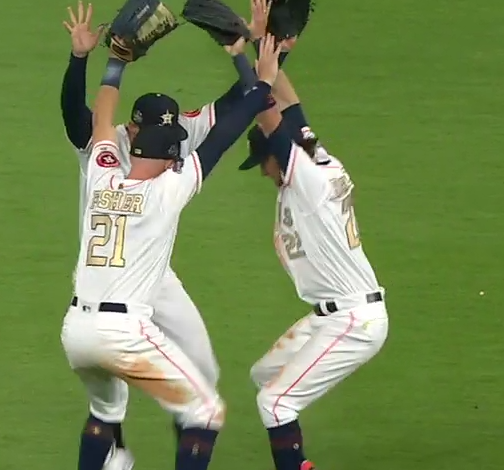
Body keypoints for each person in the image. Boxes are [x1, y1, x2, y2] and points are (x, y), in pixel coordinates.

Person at [58, 4, 284, 469]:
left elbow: (100, 116)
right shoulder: (169, 188)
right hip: (125, 317)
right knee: (204, 408)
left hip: (83, 315)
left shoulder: (102, 170)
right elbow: (230, 126)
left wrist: (114, 60)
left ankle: (111, 456)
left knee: (118, 404)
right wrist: (251, 62)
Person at [237, 37, 391, 470]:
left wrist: (242, 62)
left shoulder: (306, 181)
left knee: (275, 403)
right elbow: (292, 109)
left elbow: (271, 119)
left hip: (353, 321)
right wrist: (264, 45)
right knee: (264, 375)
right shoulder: (320, 160)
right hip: (331, 314)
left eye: (263, 163)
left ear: (276, 158)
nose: (264, 172)